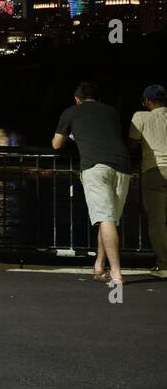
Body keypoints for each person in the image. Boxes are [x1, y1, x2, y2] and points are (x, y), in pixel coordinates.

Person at [54, 81, 133, 285]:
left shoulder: (71, 111)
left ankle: (116, 273)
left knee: (105, 218)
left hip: (95, 166)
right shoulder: (112, 112)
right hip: (123, 166)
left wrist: (74, 136)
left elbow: (56, 144)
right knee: (109, 218)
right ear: (98, 99)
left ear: (77, 99)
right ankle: (99, 266)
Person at [130, 84, 167, 277]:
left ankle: (165, 264)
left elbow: (133, 143)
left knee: (157, 221)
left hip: (154, 169)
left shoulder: (140, 116)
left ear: (146, 101)